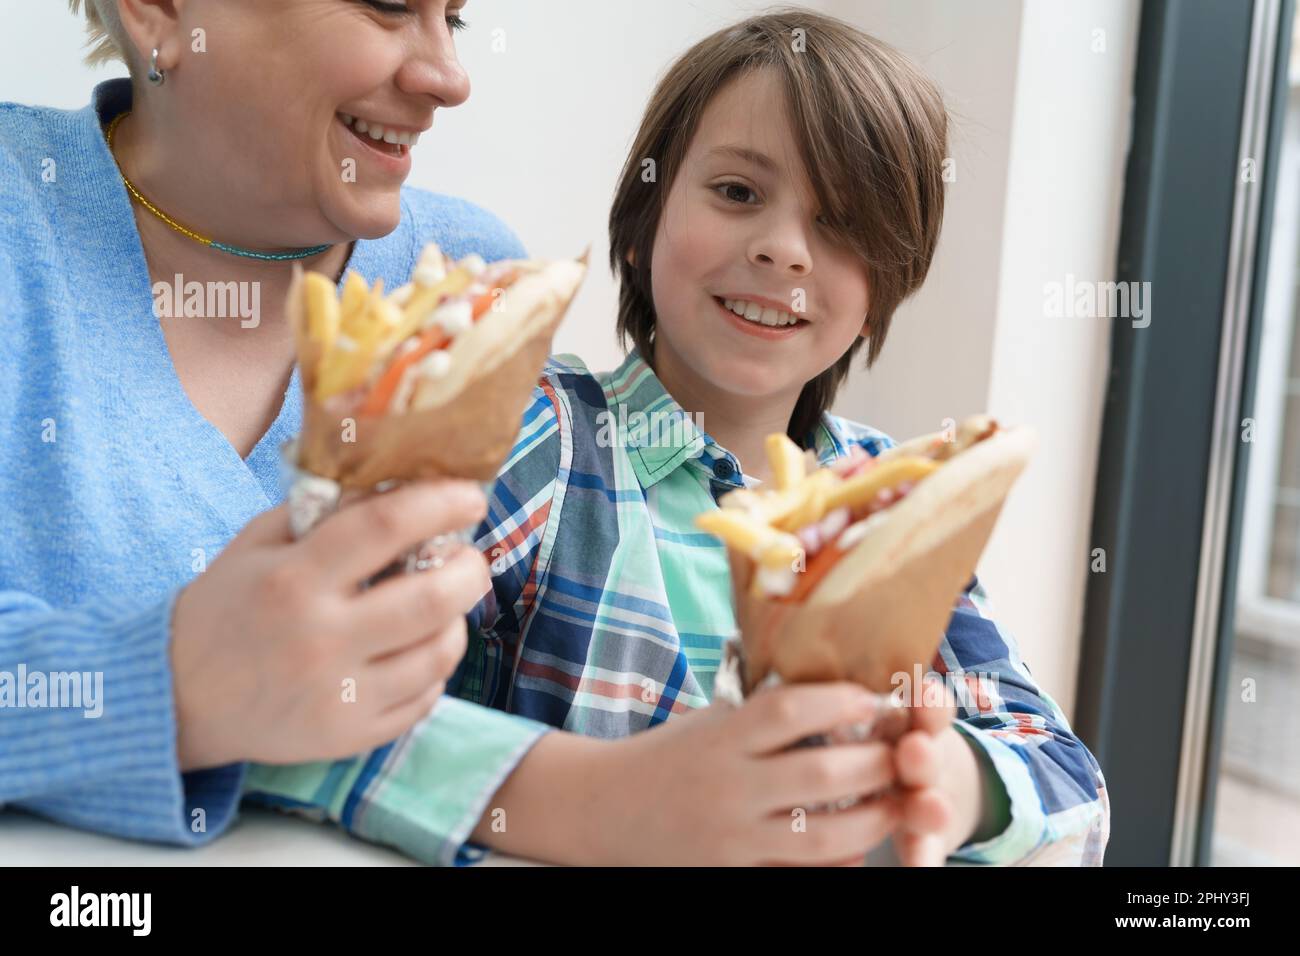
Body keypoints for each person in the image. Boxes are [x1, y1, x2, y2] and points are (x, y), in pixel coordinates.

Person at [245, 9, 1112, 866]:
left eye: (841, 224)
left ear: (890, 281)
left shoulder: (891, 500)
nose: (783, 250)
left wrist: (956, 782)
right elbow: (308, 712)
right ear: (645, 213)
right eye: (738, 193)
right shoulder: (538, 439)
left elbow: (1068, 777)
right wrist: (593, 799)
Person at [0, 0, 519, 846]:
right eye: (390, 5)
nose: (447, 78)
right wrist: (172, 685)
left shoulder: (477, 282)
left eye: (454, 19)